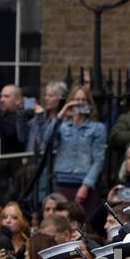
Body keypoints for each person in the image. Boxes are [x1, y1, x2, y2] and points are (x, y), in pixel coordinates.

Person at [40, 84, 106, 212]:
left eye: (83, 100)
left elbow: (99, 159)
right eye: (76, 99)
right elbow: (47, 139)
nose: (80, 103)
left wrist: (86, 186)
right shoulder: (62, 126)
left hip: (84, 182)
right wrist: (61, 114)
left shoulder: (97, 128)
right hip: (62, 180)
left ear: (89, 103)